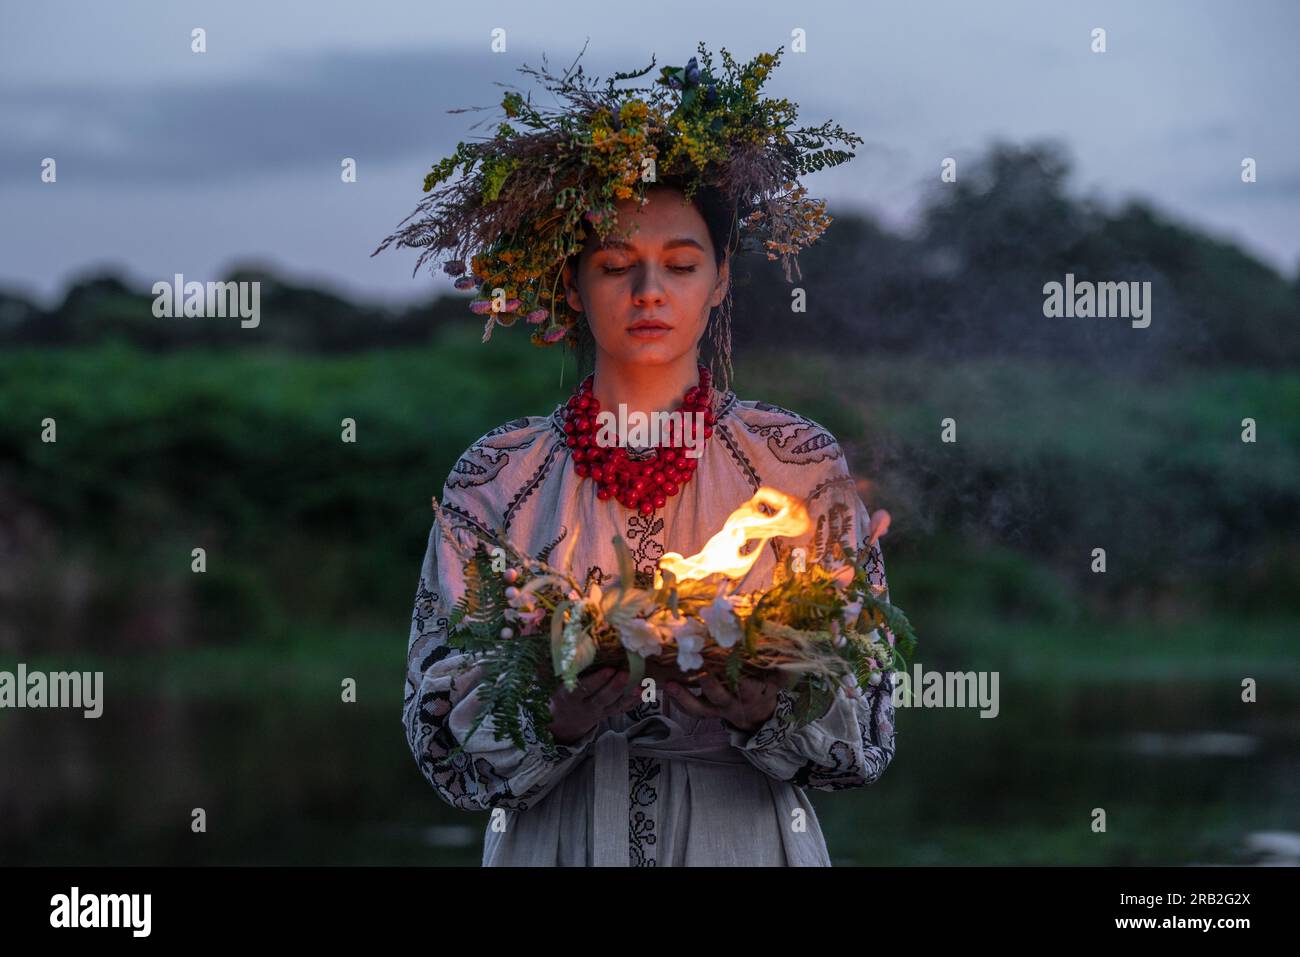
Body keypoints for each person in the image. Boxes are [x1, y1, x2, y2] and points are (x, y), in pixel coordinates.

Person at [388, 44, 897, 865]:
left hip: (744, 838)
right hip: (554, 838)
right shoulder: (498, 476)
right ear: (573, 281)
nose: (649, 291)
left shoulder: (797, 464)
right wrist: (555, 714)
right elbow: (438, 739)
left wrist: (764, 704)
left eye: (682, 264)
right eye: (616, 264)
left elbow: (868, 728)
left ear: (723, 278)